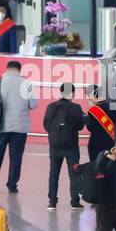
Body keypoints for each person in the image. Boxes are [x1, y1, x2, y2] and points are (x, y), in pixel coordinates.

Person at [0, 60, 37, 193]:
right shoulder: (26, 84)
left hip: (0, 126)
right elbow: (33, 104)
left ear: (7, 69)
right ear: (19, 70)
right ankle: (12, 185)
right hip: (20, 127)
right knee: (16, 157)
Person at [43, 82, 84, 211]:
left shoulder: (51, 107)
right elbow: (80, 126)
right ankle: (75, 202)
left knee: (54, 174)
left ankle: (52, 202)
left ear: (60, 92)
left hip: (55, 146)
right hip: (71, 146)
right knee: (74, 174)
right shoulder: (76, 108)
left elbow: (46, 125)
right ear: (72, 93)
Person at [84, 86, 116, 164]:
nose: (89, 99)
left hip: (96, 144)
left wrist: (86, 118)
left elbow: (90, 127)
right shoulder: (113, 107)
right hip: (110, 142)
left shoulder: (94, 110)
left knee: (96, 169)